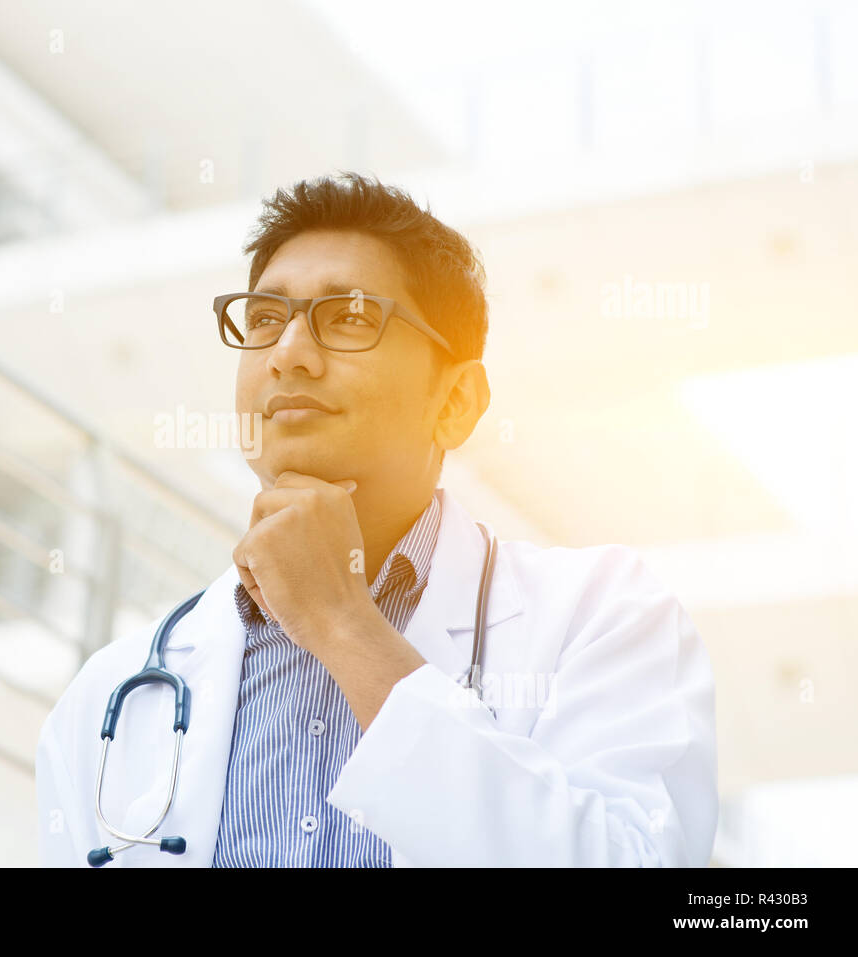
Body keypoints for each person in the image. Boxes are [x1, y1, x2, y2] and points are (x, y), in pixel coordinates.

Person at [35, 171, 717, 867]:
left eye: (351, 317)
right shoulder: (109, 695)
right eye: (266, 318)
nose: (287, 354)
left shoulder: (602, 614)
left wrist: (342, 623)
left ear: (455, 400)